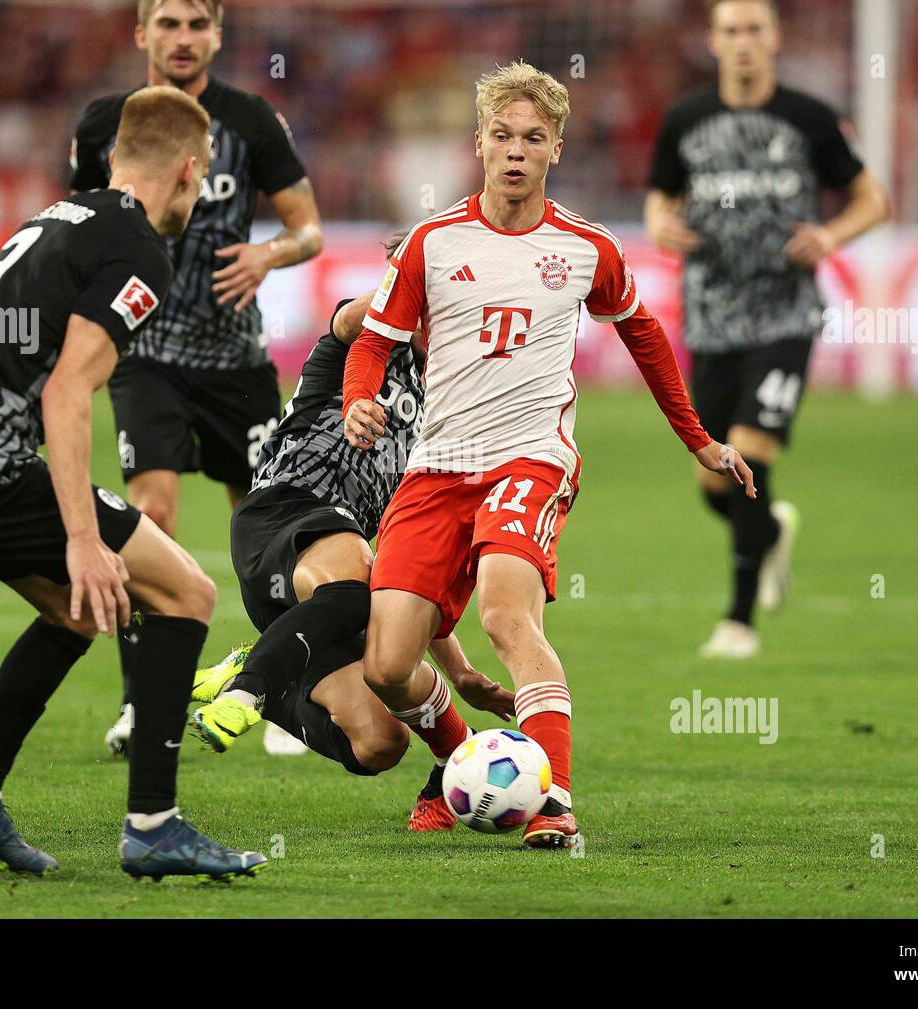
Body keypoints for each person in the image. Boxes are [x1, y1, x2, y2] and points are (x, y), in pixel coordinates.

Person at [341, 61, 755, 849]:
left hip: (530, 458)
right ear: (480, 144)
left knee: (504, 610)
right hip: (437, 465)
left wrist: (697, 437)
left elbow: (644, 334)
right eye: (502, 136)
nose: (516, 151)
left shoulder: (586, 247)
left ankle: (555, 799)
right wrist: (356, 398)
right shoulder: (432, 243)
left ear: (556, 149)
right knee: (387, 663)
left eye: (534, 138)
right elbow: (372, 343)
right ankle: (461, 760)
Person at [0, 86, 262, 881]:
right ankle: (154, 826)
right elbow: (66, 393)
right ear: (191, 170)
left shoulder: (59, 218)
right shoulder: (137, 250)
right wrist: (85, 538)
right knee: (188, 592)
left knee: (71, 611)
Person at [69, 0, 323, 753]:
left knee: (271, 529)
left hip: (237, 363)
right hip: (142, 354)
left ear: (218, 33)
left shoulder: (249, 120)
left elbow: (306, 225)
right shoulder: (103, 124)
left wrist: (267, 255)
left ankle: (283, 694)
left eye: (196, 25)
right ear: (140, 33)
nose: (183, 39)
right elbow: (80, 221)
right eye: (168, 24)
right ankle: (143, 700)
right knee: (151, 513)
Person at [187, 262, 512, 830]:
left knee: (378, 745)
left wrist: (460, 673)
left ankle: (267, 666)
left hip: (324, 587)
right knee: (360, 586)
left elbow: (406, 575)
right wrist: (413, 282)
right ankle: (249, 690)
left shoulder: (445, 401)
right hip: (282, 513)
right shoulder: (356, 344)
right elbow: (347, 318)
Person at [646, 0, 889, 658]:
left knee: (748, 453)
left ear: (775, 37)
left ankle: (739, 620)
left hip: (785, 314)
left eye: (754, 29)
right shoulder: (686, 119)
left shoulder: (809, 118)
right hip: (711, 316)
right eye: (730, 31)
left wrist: (830, 235)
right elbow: (659, 200)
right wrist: (660, 225)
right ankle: (770, 529)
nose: (743, 42)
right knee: (713, 475)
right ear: (713, 41)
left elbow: (874, 199)